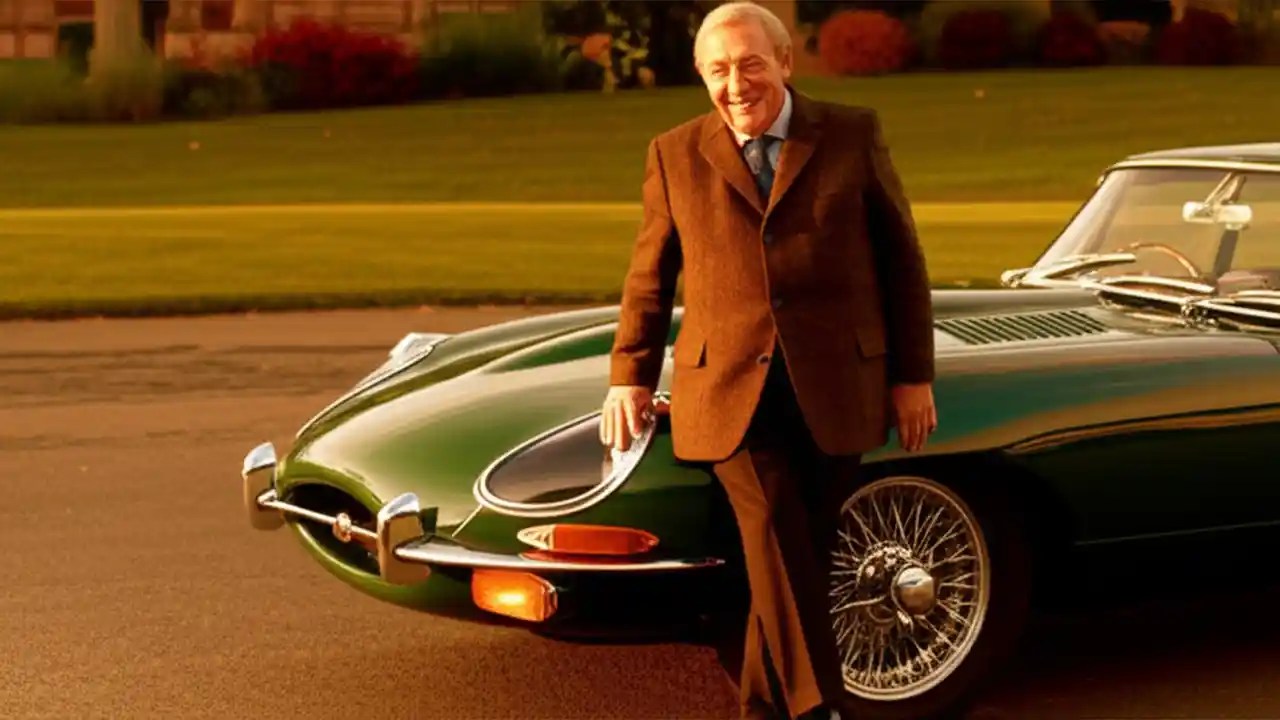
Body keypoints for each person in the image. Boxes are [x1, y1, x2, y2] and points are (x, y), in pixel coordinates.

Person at [599, 2, 937, 718]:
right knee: (776, 528)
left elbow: (901, 261)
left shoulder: (850, 133)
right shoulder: (673, 153)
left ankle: (761, 707)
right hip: (727, 393)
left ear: (785, 61)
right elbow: (649, 276)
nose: (736, 83)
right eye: (718, 70)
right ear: (701, 77)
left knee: (793, 563)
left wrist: (914, 376)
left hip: (839, 385)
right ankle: (823, 707)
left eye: (751, 63)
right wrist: (629, 376)